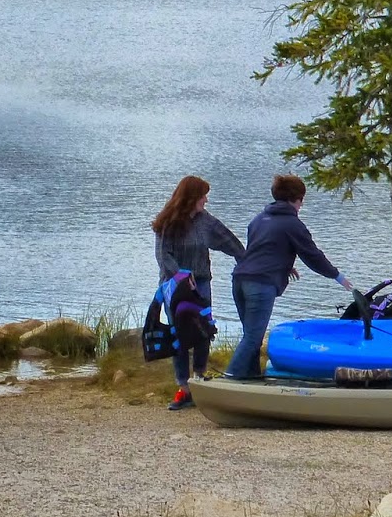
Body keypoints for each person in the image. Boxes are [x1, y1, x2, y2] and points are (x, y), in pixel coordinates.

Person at [226, 174, 354, 381]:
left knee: (251, 335)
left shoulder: (258, 220)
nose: (302, 204)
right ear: (296, 199)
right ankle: (230, 380)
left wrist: (286, 265)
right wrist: (336, 275)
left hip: (239, 279)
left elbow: (261, 250)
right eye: (302, 199)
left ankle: (250, 380)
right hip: (261, 284)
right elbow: (312, 255)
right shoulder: (292, 224)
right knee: (252, 337)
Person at [152, 175, 245, 410]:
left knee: (203, 332)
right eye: (203, 196)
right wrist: (183, 276)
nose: (205, 200)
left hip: (201, 285)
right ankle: (184, 388)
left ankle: (200, 379)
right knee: (180, 334)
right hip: (174, 287)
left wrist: (247, 261)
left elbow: (229, 241)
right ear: (191, 197)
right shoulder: (168, 223)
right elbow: (163, 257)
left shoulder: (206, 222)